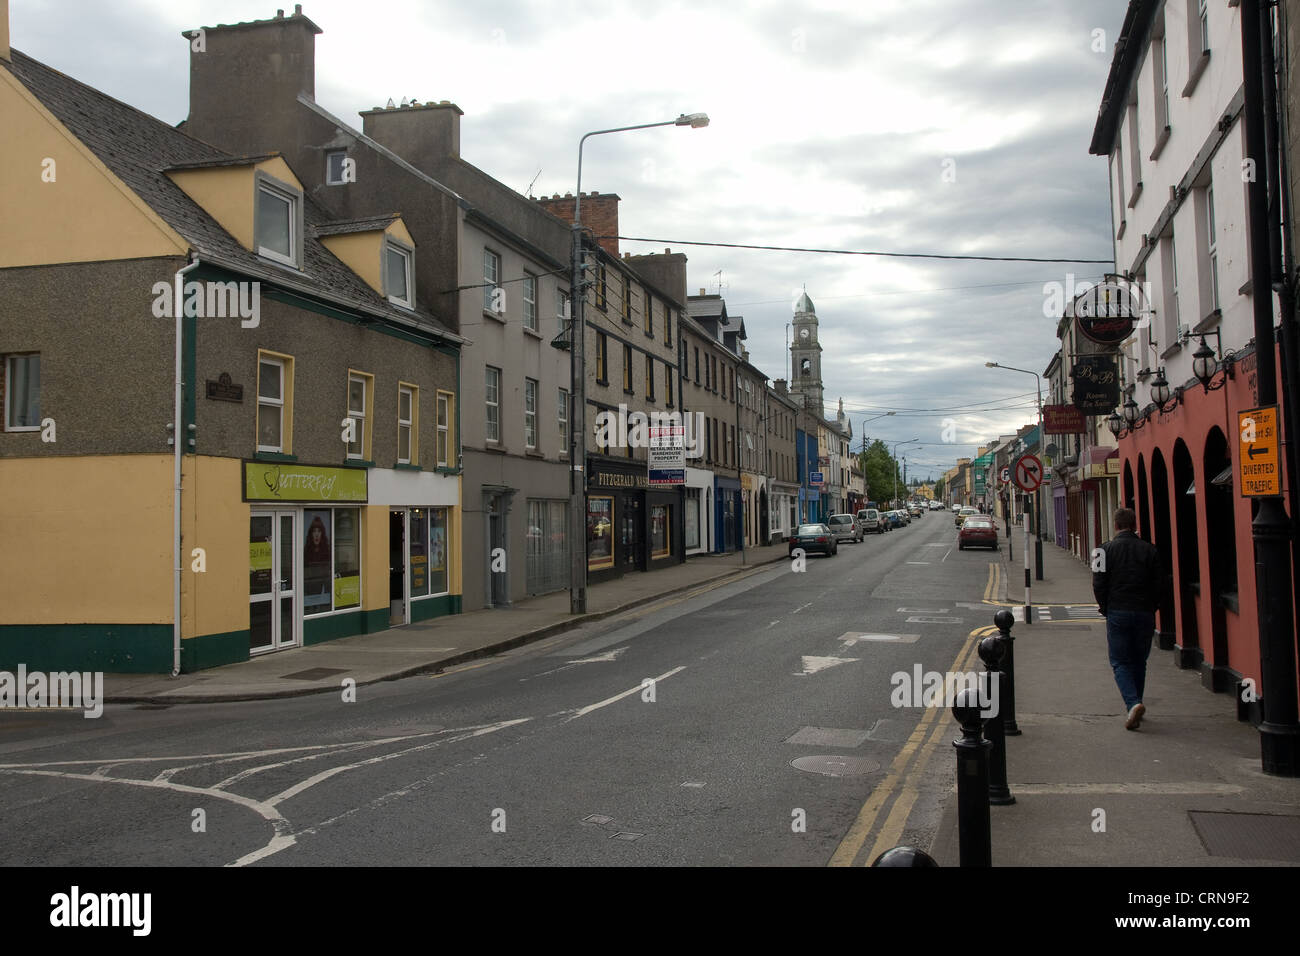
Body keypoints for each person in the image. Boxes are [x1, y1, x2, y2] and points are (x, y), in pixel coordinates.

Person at [1092, 508, 1160, 730]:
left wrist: (1105, 607)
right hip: (1144, 612)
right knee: (1139, 661)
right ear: (1133, 524)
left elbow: (1098, 583)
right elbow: (1161, 584)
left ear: (1116, 525)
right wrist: (1153, 607)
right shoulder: (1151, 550)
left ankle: (1133, 703)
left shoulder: (1102, 551)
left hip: (1118, 611)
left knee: (1120, 661)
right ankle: (1136, 703)